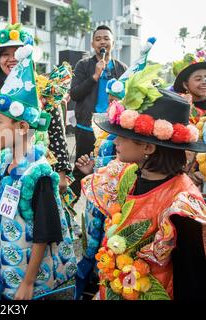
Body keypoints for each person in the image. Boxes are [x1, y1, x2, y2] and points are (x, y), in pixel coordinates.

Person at [0, 23, 73, 300]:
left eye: (17, 52)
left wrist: (64, 172)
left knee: (33, 228)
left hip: (31, 166)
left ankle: (29, 281)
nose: (10, 58)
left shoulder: (43, 88)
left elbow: (56, 132)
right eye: (4, 53)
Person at [77, 68, 206, 300]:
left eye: (121, 136)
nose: (114, 140)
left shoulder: (182, 204)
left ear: (148, 148)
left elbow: (192, 279)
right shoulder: (127, 173)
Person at [70, 25, 127, 199]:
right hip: (87, 128)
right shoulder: (83, 65)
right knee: (81, 170)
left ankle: (102, 208)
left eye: (106, 38)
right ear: (93, 44)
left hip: (112, 130)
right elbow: (74, 93)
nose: (102, 41)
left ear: (113, 43)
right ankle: (69, 211)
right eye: (98, 39)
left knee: (110, 171)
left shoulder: (121, 68)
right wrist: (94, 76)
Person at [172, 51, 206, 192]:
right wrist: (190, 173)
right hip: (182, 179)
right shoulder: (177, 109)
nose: (204, 81)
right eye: (198, 78)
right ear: (186, 85)